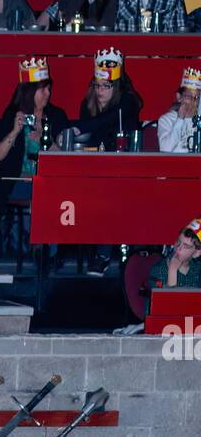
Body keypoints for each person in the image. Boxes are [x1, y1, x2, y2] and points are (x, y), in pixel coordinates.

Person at [0, 57, 68, 259]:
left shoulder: (56, 116)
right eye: (43, 90)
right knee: (36, 193)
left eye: (49, 89)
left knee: (50, 193)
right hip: (19, 180)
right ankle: (39, 249)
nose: (48, 95)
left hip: (49, 182)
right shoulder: (12, 115)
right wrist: (14, 131)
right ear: (30, 92)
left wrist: (44, 138)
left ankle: (47, 252)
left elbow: (66, 160)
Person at [70, 49, 141, 276]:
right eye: (97, 85)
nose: (100, 90)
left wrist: (81, 128)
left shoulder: (128, 102)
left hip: (127, 172)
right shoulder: (86, 104)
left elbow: (107, 121)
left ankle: (103, 255)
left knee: (111, 196)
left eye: (106, 86)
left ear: (116, 86)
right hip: (95, 170)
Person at [157, 67, 201, 153]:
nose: (192, 101)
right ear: (179, 97)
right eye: (188, 96)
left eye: (196, 97)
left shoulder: (199, 120)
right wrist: (180, 120)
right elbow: (165, 149)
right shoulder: (166, 120)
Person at [147, 220, 201, 289]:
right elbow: (166, 299)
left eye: (186, 246)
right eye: (178, 241)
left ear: (197, 252)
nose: (178, 248)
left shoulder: (198, 269)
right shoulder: (158, 270)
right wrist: (172, 270)